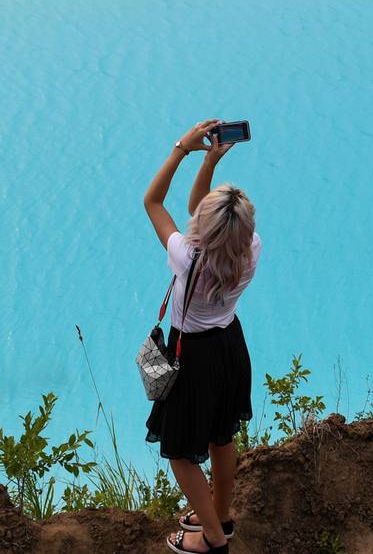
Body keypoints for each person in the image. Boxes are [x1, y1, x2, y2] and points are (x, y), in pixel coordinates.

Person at [143, 119, 262, 554]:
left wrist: (181, 149)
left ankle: (212, 539)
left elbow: (152, 201)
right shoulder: (250, 249)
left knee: (179, 452)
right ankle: (223, 518)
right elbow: (200, 213)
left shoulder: (187, 256)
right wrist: (210, 160)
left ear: (203, 233)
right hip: (230, 345)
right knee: (221, 438)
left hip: (193, 355)